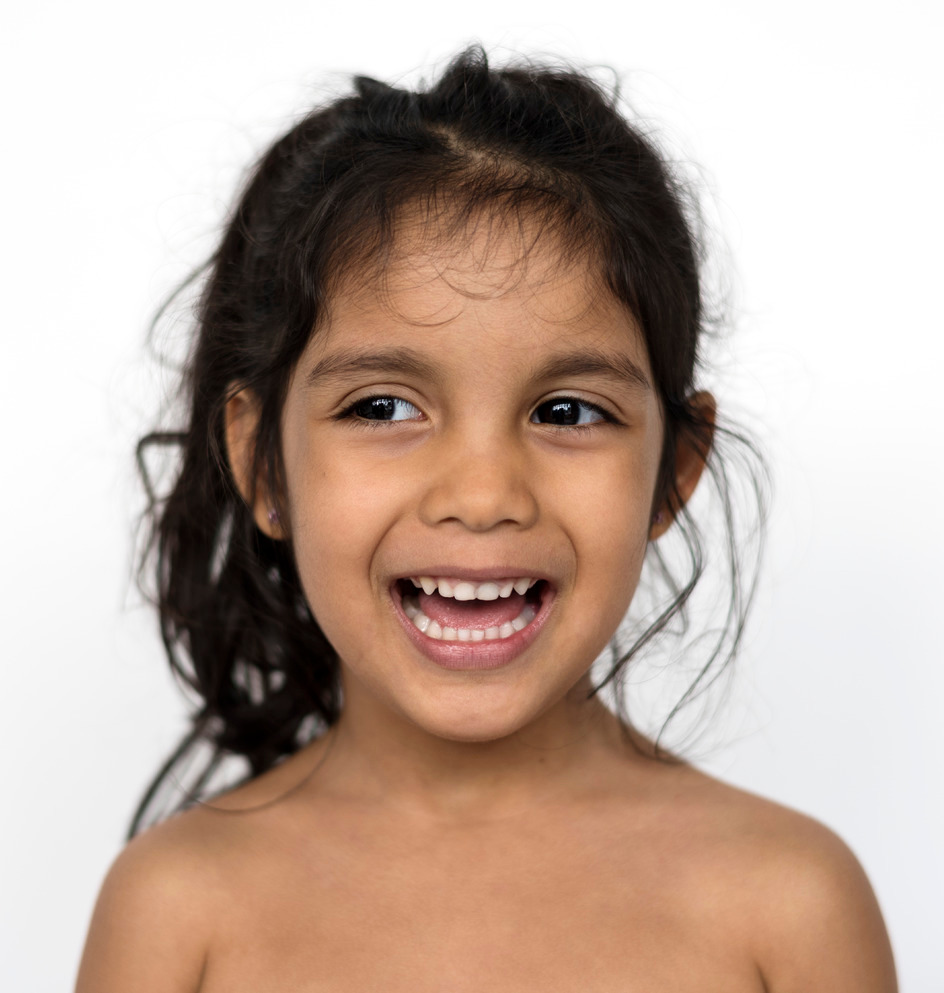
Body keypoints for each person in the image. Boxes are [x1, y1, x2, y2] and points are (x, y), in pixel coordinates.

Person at [75, 47, 896, 991]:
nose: (484, 494)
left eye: (567, 412)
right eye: (382, 407)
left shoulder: (789, 906)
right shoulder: (176, 909)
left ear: (673, 469)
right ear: (263, 463)